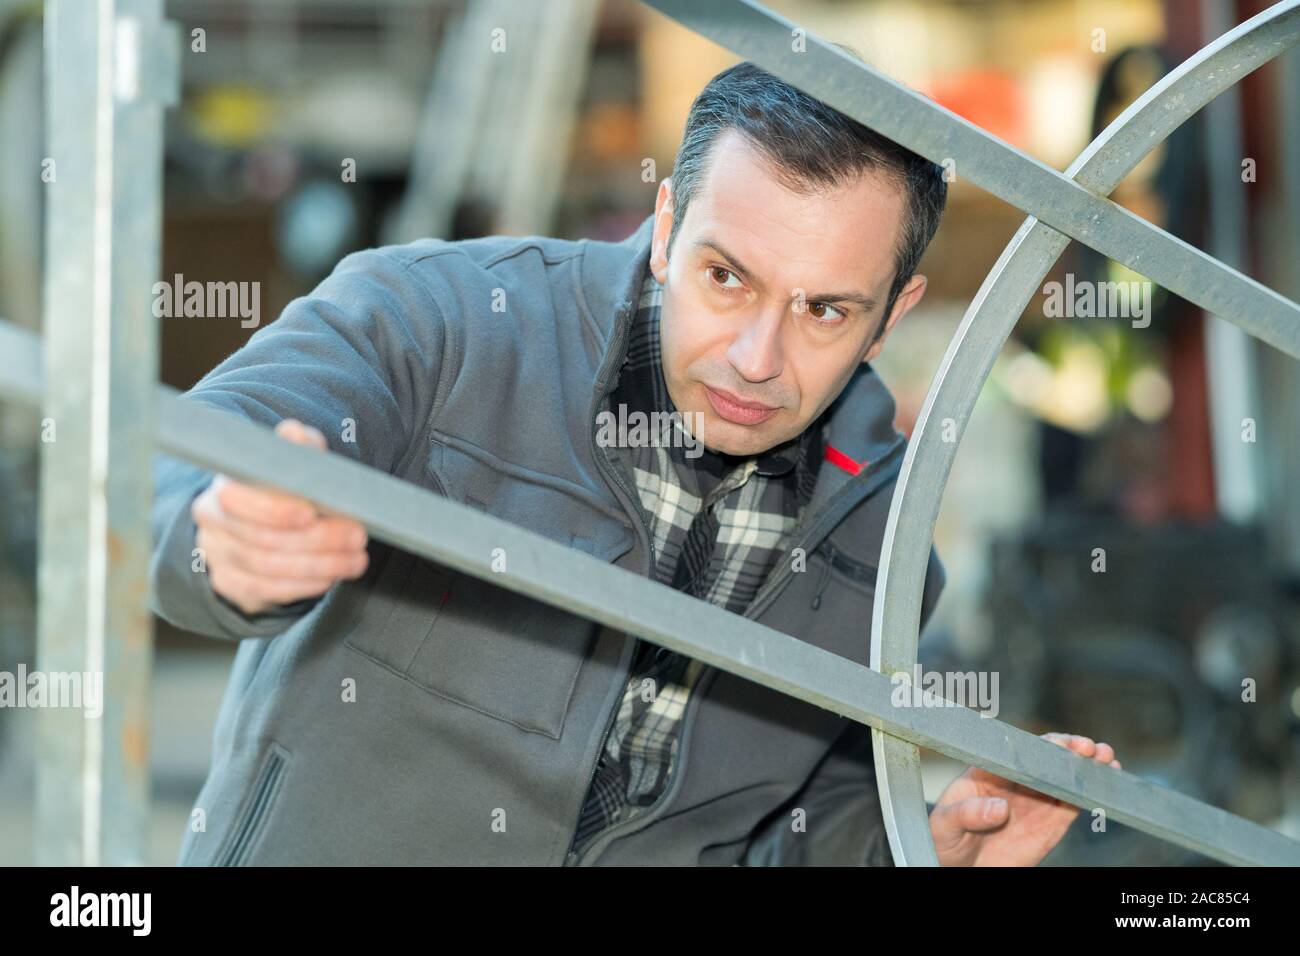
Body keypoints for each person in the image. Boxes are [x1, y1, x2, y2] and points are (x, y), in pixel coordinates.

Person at [152, 61, 1119, 866]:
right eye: (726, 277)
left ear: (894, 314)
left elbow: (799, 833)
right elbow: (185, 458)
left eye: (826, 310)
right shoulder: (443, 320)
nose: (757, 358)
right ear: (665, 228)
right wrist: (217, 534)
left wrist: (922, 848)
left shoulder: (886, 543)